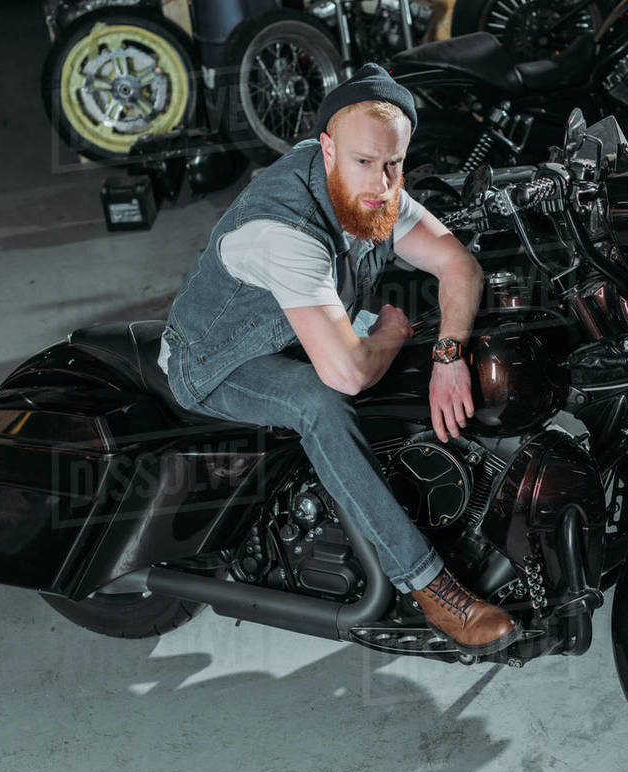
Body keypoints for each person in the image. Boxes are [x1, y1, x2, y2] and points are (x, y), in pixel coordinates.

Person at [156, 63, 522, 657]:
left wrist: (449, 354)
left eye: (393, 164)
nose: (381, 183)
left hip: (292, 334)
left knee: (416, 349)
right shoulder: (284, 227)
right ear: (327, 150)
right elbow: (347, 372)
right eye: (363, 163)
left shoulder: (375, 186)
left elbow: (459, 266)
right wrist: (394, 332)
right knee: (321, 400)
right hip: (213, 361)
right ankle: (429, 585)